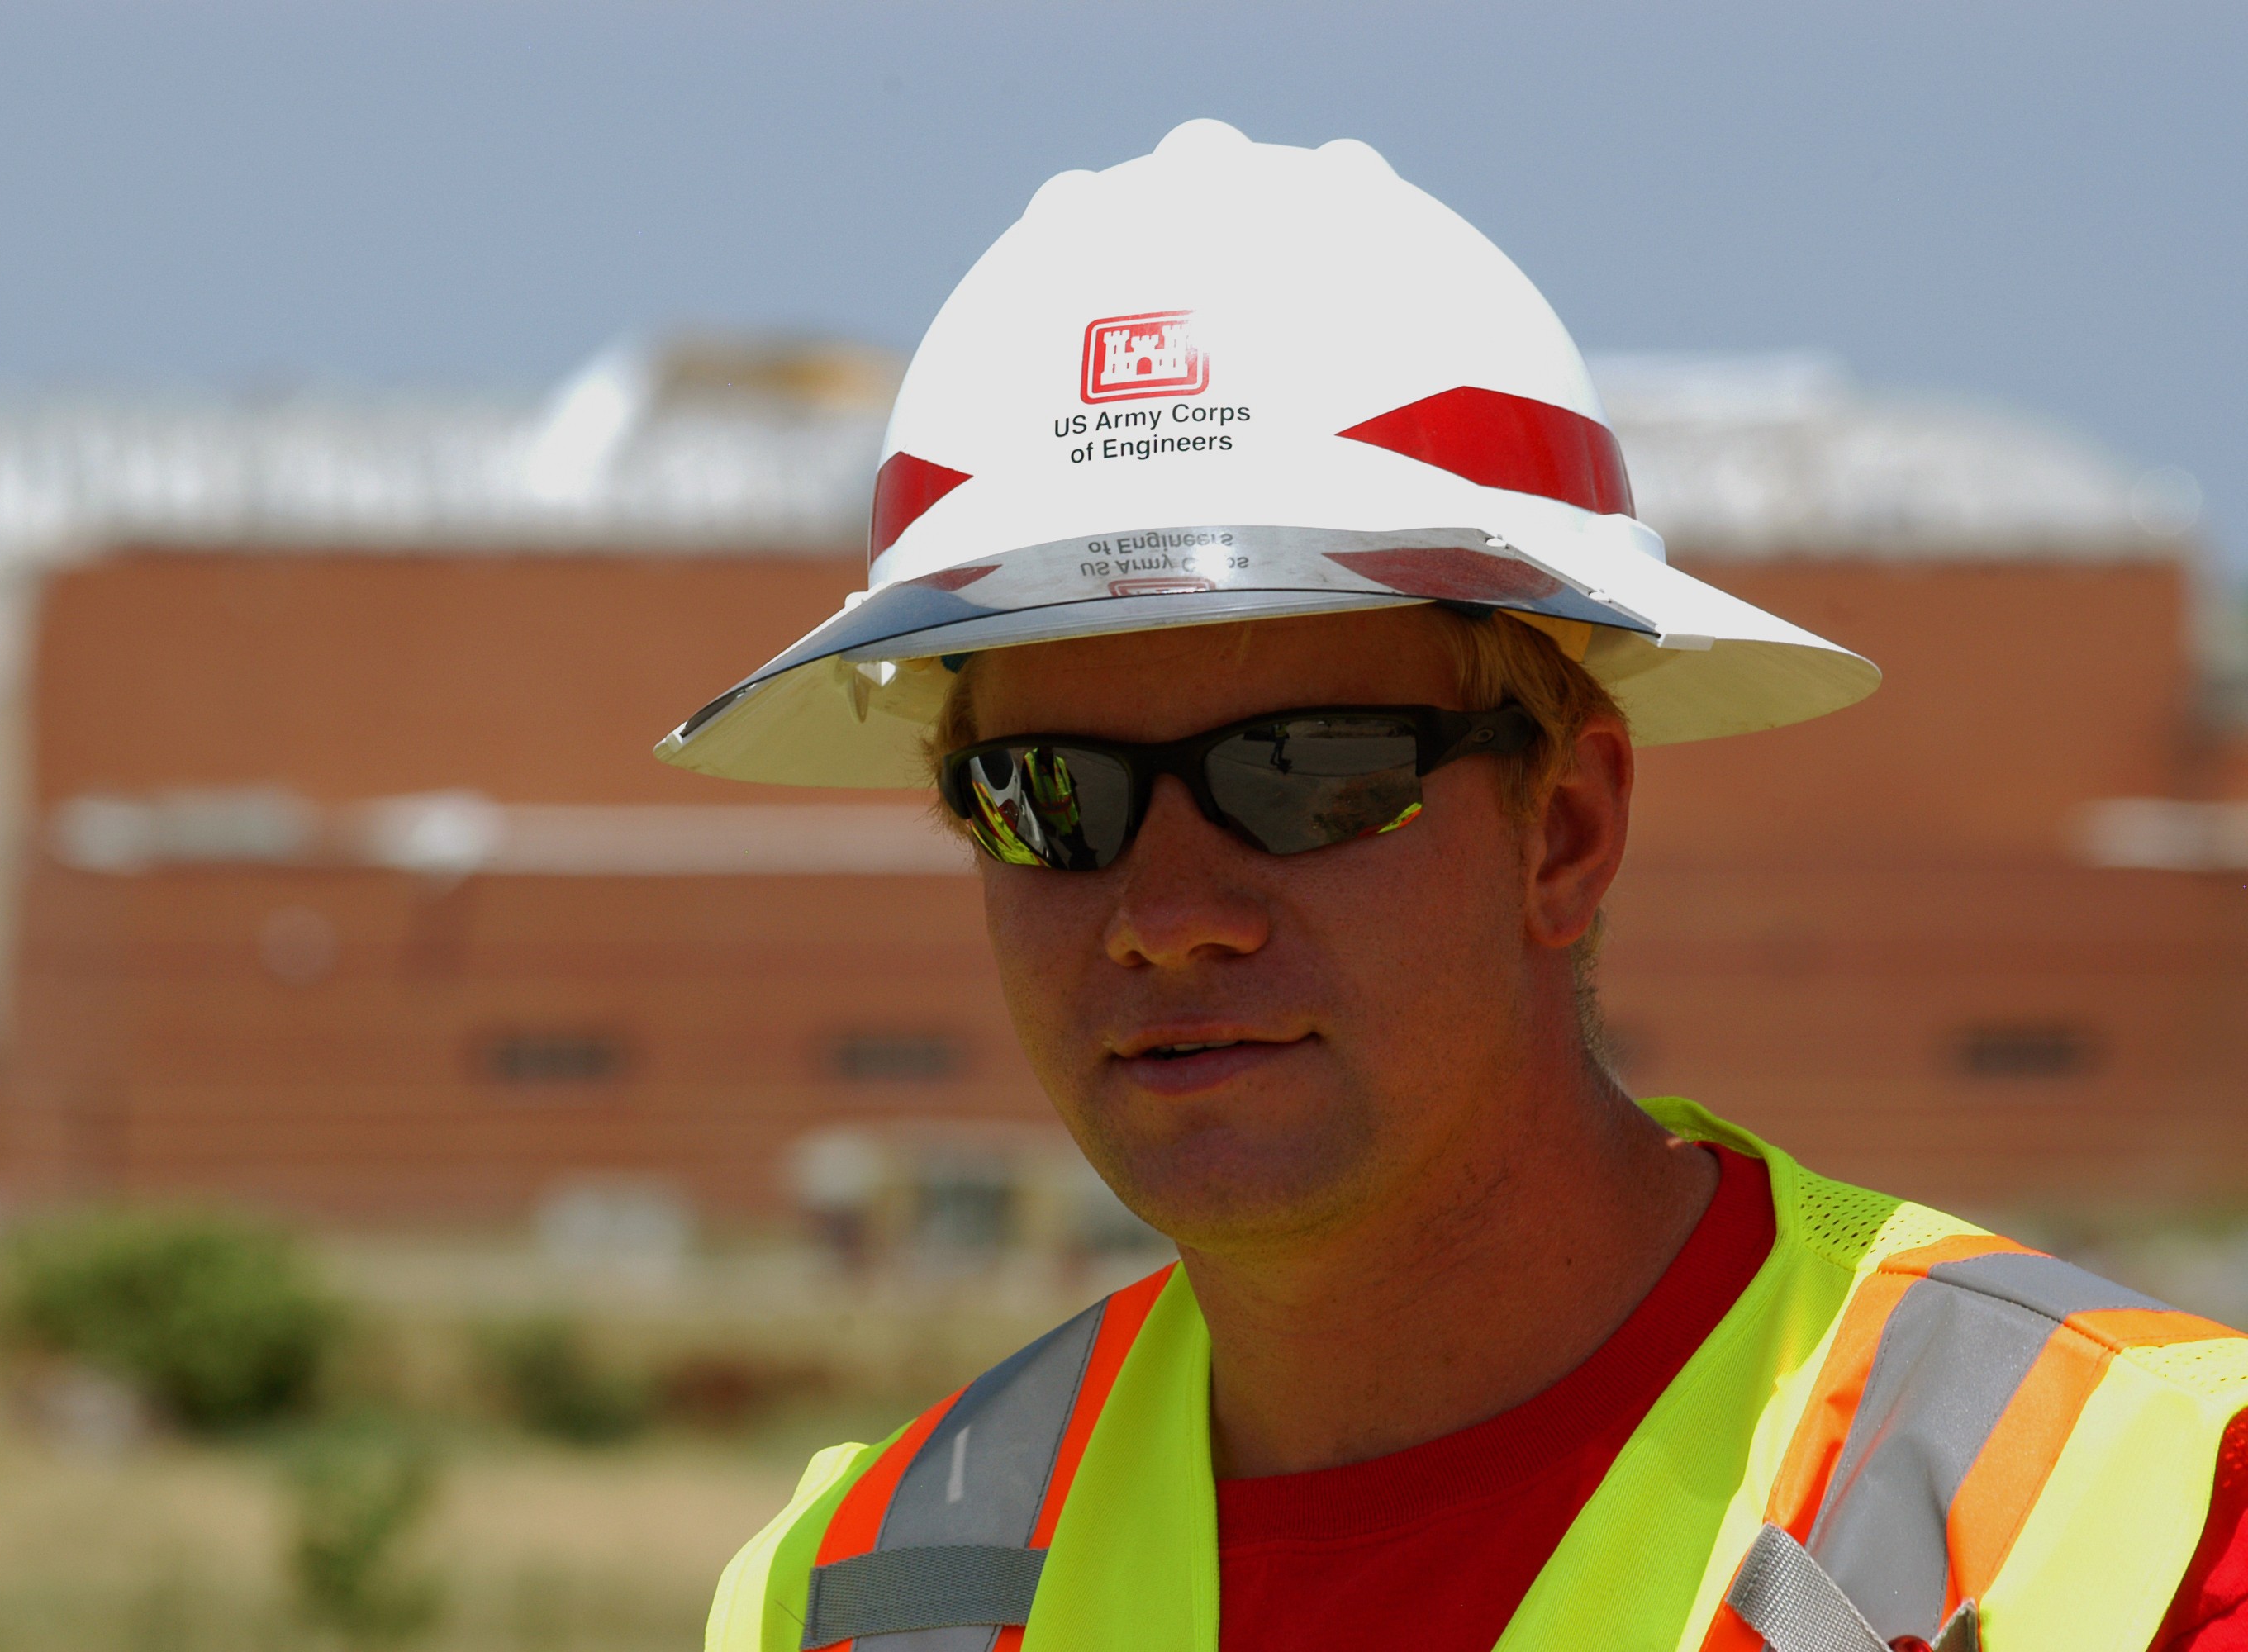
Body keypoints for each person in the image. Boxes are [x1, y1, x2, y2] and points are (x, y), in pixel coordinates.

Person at [668, 121, 2248, 1650]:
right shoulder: (863, 1600)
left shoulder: (2138, 1527)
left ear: (1565, 828)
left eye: (1298, 773)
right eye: (1048, 798)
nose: (1165, 913)